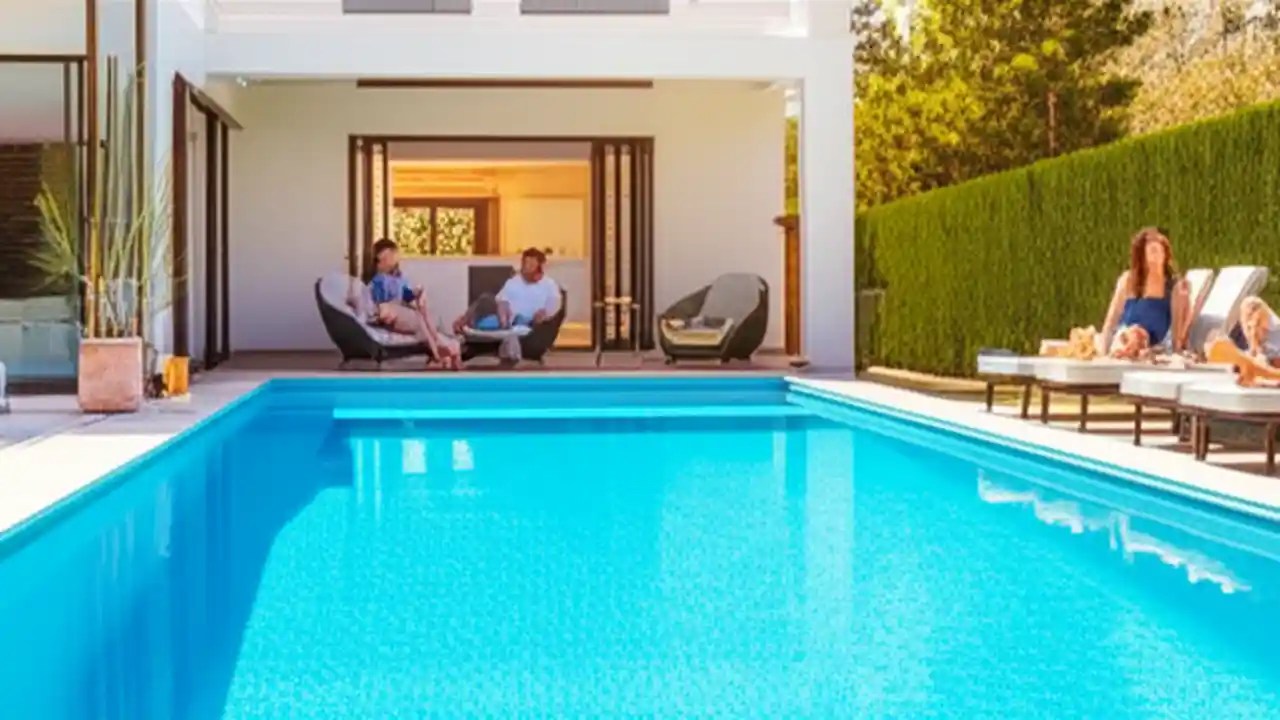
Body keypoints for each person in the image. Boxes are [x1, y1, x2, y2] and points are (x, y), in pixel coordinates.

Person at [1097, 227, 1191, 359]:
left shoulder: (1174, 287)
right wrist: (1102, 355)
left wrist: (1186, 303)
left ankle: (1132, 346)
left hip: (1152, 351)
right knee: (1128, 336)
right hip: (1122, 343)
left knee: (1136, 340)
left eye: (1161, 250)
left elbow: (1177, 337)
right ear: (1142, 257)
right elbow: (1110, 323)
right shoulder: (1128, 281)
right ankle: (1128, 347)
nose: (1158, 255)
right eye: (1153, 251)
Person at [453, 248, 560, 362]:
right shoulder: (514, 281)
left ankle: (503, 344)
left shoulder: (549, 285)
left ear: (540, 267)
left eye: (531, 264)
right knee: (485, 299)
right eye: (525, 263)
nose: (526, 267)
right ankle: (466, 326)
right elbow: (500, 299)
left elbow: (553, 307)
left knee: (517, 323)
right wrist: (503, 307)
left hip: (527, 323)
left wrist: (544, 314)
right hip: (505, 319)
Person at [368, 238, 461, 370]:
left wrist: (417, 293)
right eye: (389, 256)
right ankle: (438, 353)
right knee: (420, 320)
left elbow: (406, 295)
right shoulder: (378, 281)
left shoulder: (398, 278)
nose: (394, 260)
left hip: (404, 311)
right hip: (392, 315)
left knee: (424, 314)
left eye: (393, 256)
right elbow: (381, 303)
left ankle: (442, 349)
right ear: (380, 259)